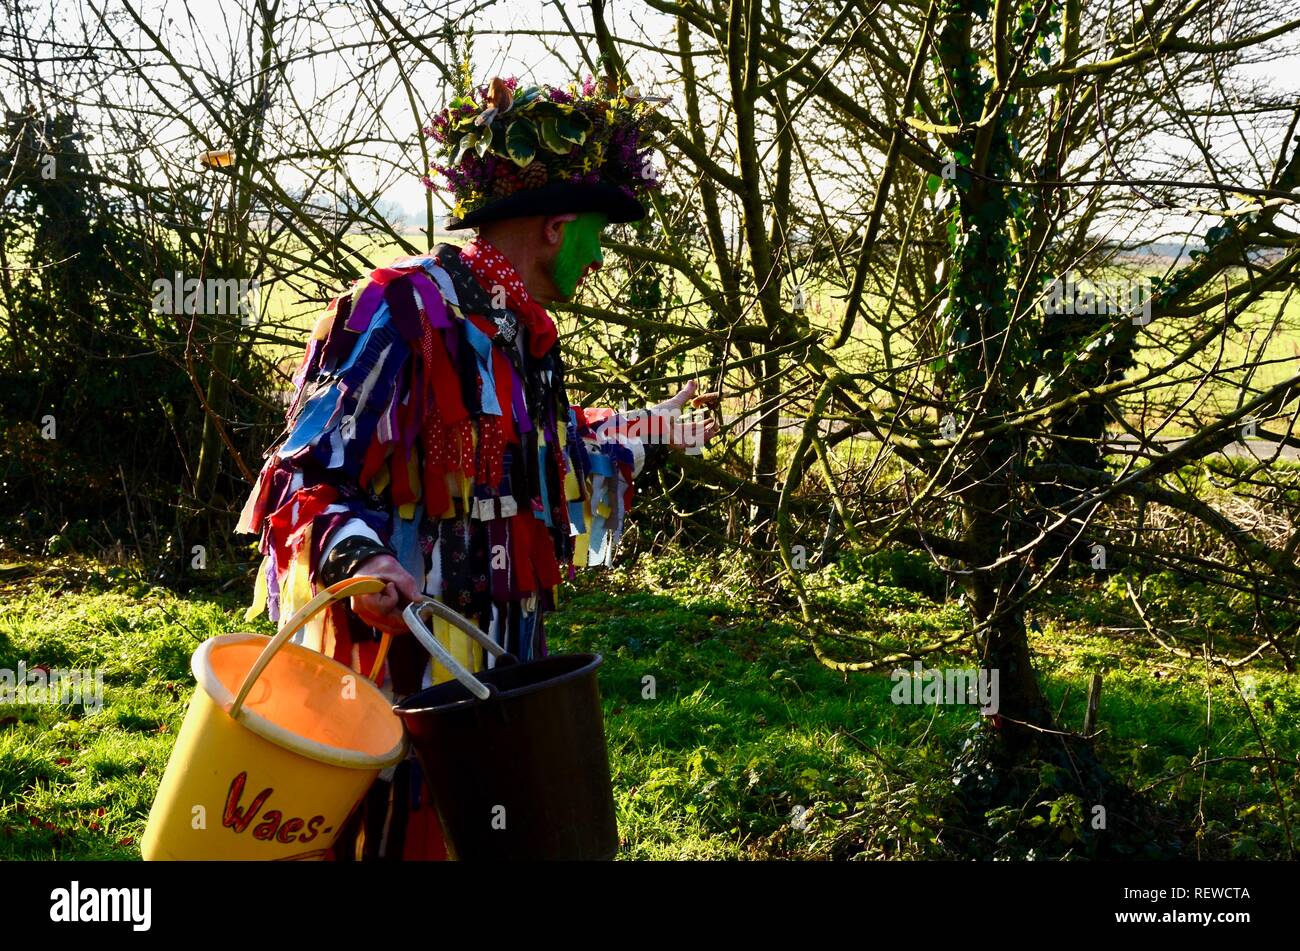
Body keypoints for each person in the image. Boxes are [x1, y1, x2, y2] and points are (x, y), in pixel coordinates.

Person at [235, 75, 718, 859]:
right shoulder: (398, 308)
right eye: (599, 232)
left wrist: (652, 425)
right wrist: (365, 556)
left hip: (500, 693)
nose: (602, 256)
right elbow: (299, 475)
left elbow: (550, 458)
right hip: (398, 700)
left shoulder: (521, 335)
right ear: (559, 228)